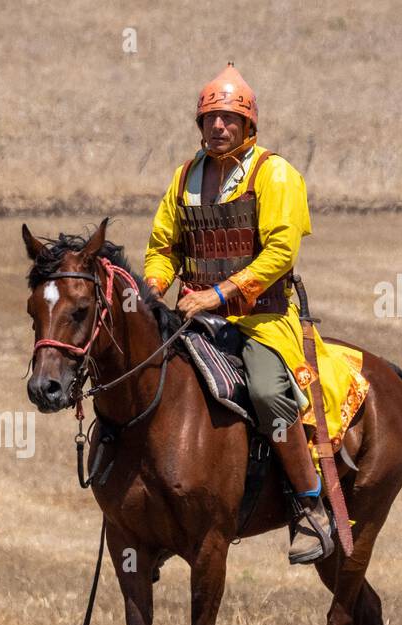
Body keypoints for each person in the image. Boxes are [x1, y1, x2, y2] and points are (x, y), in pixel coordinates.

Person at [143, 62, 354, 564]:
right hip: (194, 317)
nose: (218, 126)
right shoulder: (184, 179)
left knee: (263, 389)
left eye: (228, 118)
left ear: (248, 125)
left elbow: (280, 252)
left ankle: (309, 507)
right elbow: (163, 247)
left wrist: (217, 296)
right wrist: (152, 290)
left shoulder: (274, 174)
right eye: (210, 118)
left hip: (261, 319)